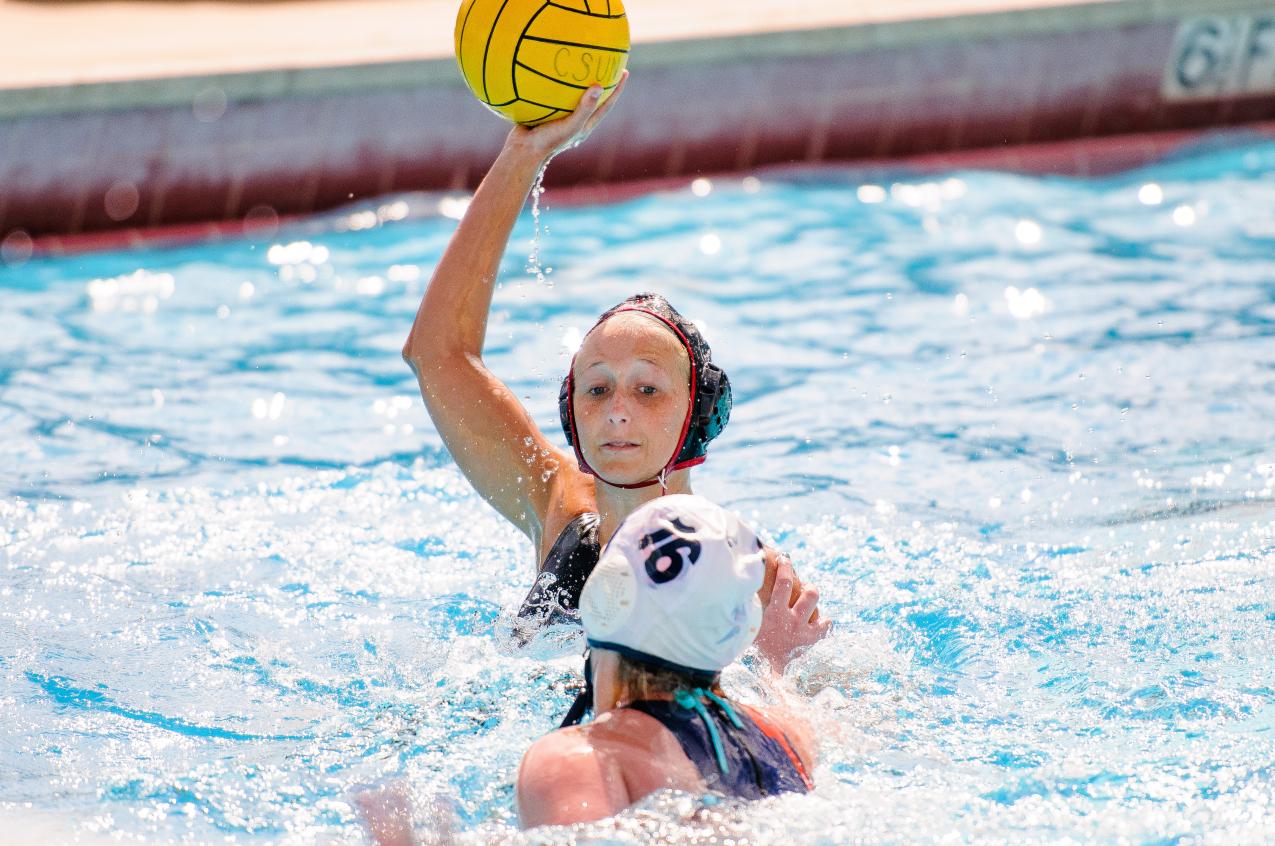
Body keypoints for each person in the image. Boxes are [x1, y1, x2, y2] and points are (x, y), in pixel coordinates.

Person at [400, 74, 824, 666]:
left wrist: (778, 671)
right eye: (597, 389)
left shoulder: (749, 575)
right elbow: (436, 353)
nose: (617, 411)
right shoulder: (560, 508)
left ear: (698, 413)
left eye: (647, 389)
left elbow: (837, 713)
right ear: (570, 413)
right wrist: (523, 154)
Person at [516, 495, 822, 828]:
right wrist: (775, 663)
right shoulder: (789, 737)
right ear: (740, 631)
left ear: (602, 596)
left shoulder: (576, 761)